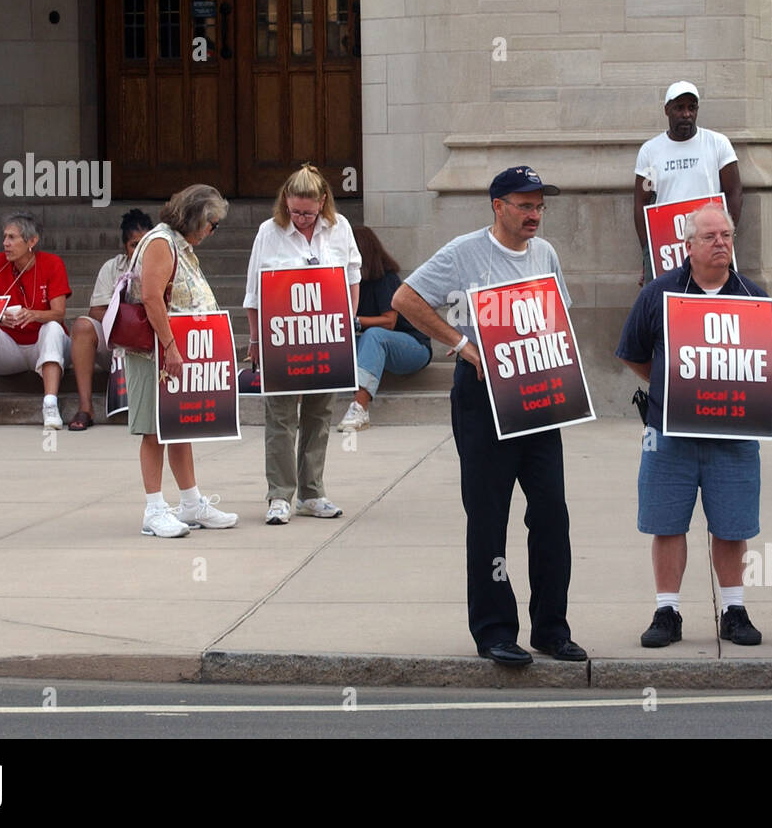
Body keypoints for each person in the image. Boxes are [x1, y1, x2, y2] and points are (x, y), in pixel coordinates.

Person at [392, 165, 587, 667]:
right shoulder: (463, 252)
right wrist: (460, 343)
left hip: (538, 396)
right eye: (525, 205)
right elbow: (405, 298)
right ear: (498, 206)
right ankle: (496, 630)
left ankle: (551, 627)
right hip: (483, 397)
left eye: (540, 205)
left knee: (550, 515)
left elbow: (556, 316)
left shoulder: (545, 254)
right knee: (488, 515)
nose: (534, 214)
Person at [616, 202, 772, 649]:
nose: (721, 244)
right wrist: (673, 387)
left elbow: (771, 365)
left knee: (732, 525)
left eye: (727, 236)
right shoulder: (658, 294)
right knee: (666, 521)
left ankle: (734, 610)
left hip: (733, 435)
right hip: (668, 432)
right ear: (687, 245)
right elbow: (634, 353)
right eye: (710, 237)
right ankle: (666, 611)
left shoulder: (753, 297)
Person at [244, 164, 361, 525]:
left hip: (325, 336)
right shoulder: (269, 231)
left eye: (308, 213)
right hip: (282, 339)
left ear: (323, 202)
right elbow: (253, 293)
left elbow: (353, 277)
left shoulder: (340, 228)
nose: (302, 219)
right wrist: (255, 340)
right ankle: (279, 495)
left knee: (319, 414)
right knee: (280, 416)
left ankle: (312, 493)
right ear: (285, 203)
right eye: (295, 211)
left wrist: (347, 325)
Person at [124, 184, 238, 538]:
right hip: (154, 353)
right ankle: (154, 509)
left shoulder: (179, 244)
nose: (212, 231)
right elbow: (151, 297)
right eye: (211, 224)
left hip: (173, 350)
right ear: (193, 218)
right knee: (154, 430)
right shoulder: (161, 243)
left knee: (178, 427)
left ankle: (190, 503)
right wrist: (171, 346)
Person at [0, 211, 72, 431]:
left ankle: (50, 405)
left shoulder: (52, 263)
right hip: (11, 350)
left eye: (12, 238)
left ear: (32, 241)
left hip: (43, 346)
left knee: (53, 328)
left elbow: (59, 313)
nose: (5, 243)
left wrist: (34, 314)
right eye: (4, 237)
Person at [634, 80, 744, 283]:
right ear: (667, 110)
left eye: (691, 108)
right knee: (665, 302)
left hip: (709, 240)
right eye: (679, 108)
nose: (686, 114)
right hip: (667, 247)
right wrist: (648, 253)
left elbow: (734, 192)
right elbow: (641, 202)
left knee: (709, 297)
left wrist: (726, 237)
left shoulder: (718, 144)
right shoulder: (650, 151)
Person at [337, 226, 433, 432]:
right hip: (375, 344)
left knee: (374, 335)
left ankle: (360, 408)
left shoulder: (386, 278)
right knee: (332, 340)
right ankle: (304, 402)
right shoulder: (349, 282)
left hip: (414, 347)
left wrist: (354, 321)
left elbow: (389, 321)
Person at [67, 208, 154, 430]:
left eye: (145, 243)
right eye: (135, 244)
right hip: (117, 346)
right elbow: (95, 310)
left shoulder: (163, 265)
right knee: (82, 326)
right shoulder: (112, 267)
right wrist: (128, 326)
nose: (140, 250)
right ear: (125, 246)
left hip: (153, 347)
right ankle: (85, 408)